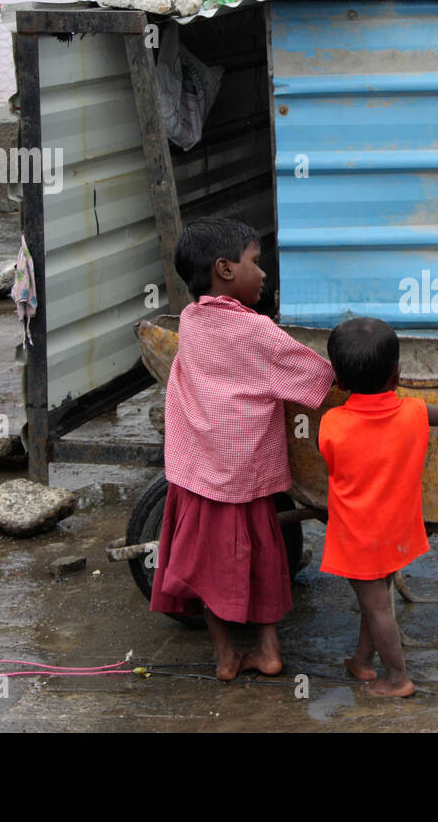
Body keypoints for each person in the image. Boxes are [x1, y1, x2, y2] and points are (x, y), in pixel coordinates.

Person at [150, 217, 335, 681]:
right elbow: (316, 376)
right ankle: (269, 650)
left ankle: (227, 656)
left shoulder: (191, 321)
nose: (264, 273)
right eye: (255, 262)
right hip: (248, 479)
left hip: (200, 475)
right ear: (225, 270)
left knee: (209, 565)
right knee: (265, 560)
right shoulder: (257, 333)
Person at [318, 317, 438, 697]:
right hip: (395, 530)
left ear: (340, 382)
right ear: (398, 374)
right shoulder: (414, 412)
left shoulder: (332, 423)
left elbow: (333, 464)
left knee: (376, 608)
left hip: (359, 536)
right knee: (375, 602)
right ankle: (362, 662)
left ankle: (398, 679)